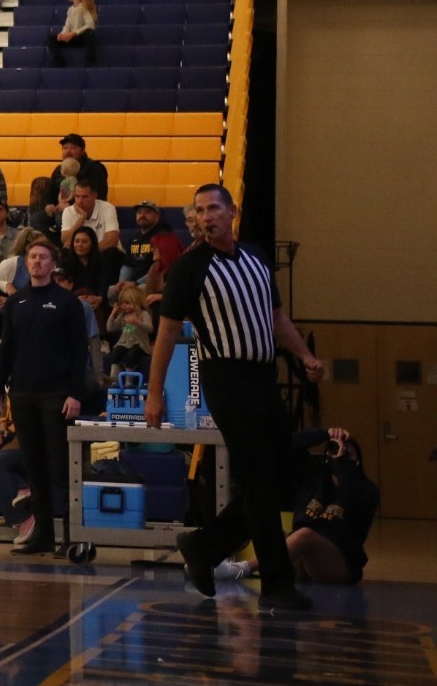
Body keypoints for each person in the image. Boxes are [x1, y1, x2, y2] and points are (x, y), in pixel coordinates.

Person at [146, 183, 324, 612]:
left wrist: (304, 355)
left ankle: (204, 545)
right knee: (260, 479)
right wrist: (154, 394)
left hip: (263, 376)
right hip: (225, 377)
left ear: (232, 211)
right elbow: (167, 333)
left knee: (280, 477)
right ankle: (276, 583)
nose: (206, 216)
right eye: (199, 210)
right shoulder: (190, 268)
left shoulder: (257, 258)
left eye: (213, 208)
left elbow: (276, 318)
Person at [0, 239, 91, 555]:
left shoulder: (67, 302)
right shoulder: (16, 302)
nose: (37, 262)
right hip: (22, 394)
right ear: (26, 262)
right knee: (34, 468)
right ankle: (43, 535)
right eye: (32, 257)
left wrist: (75, 393)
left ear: (53, 264)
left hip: (56, 395)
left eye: (43, 257)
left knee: (61, 467)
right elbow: (6, 350)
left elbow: (80, 352)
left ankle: (72, 536)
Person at [215, 427, 378, 587]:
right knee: (267, 521)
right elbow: (286, 446)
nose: (340, 455)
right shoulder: (314, 475)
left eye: (347, 453)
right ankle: (217, 559)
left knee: (305, 534)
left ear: (358, 461)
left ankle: (241, 569)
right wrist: (324, 433)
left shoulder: (366, 490)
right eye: (335, 449)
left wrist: (342, 468)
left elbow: (352, 500)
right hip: (303, 557)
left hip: (339, 561)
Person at [121, 200, 183, 287]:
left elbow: (160, 269)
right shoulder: (134, 238)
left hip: (154, 283)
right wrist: (121, 283)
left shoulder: (163, 237)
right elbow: (127, 266)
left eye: (147, 212)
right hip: (132, 284)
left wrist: (136, 283)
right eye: (139, 212)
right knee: (110, 291)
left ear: (156, 217)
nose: (142, 215)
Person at [104, 283, 152, 375]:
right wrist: (113, 314)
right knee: (116, 352)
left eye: (127, 303)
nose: (123, 306)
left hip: (139, 343)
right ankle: (113, 376)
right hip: (125, 343)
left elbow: (150, 328)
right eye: (121, 303)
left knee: (131, 355)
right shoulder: (123, 315)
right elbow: (110, 328)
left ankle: (128, 379)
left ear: (136, 302)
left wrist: (138, 322)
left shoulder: (143, 314)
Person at [47, 0, 98, 67]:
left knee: (89, 33)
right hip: (72, 38)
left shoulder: (83, 8)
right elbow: (67, 25)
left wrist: (74, 33)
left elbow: (90, 25)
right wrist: (63, 34)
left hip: (81, 38)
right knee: (50, 38)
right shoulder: (70, 9)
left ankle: (91, 58)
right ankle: (58, 59)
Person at [56, 134, 109, 201]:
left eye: (73, 148)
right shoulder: (58, 169)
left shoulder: (94, 168)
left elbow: (98, 195)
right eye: (65, 148)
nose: (68, 151)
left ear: (82, 151)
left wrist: (69, 204)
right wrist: (49, 205)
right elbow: (49, 193)